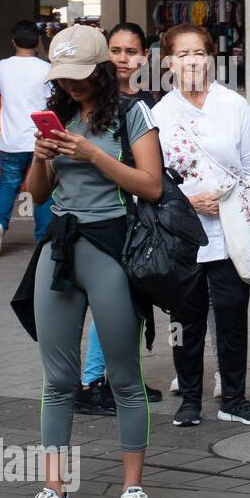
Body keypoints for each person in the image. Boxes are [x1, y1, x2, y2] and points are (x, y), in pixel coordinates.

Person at [13, 24, 164, 498]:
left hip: (111, 247)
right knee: (57, 381)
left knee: (124, 376)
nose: (73, 85)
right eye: (65, 76)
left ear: (102, 70)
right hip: (60, 248)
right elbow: (37, 195)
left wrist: (94, 154)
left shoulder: (131, 113)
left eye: (81, 75)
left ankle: (133, 488)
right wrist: (42, 157)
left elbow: (152, 185)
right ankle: (53, 491)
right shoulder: (60, 117)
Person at [153, 24, 250, 428]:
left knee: (231, 314)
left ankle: (234, 397)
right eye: (182, 53)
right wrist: (187, 203)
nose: (192, 60)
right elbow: (152, 181)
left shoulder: (234, 106)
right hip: (184, 237)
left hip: (232, 236)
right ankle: (189, 398)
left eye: (199, 52)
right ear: (168, 62)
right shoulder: (159, 114)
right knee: (185, 318)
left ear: (211, 58)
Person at [76, 22, 163, 415]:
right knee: (111, 299)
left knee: (133, 301)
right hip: (105, 219)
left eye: (131, 51)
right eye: (115, 50)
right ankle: (94, 380)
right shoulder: (91, 102)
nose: (123, 59)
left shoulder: (148, 103)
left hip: (142, 217)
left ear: (145, 57)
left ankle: (121, 376)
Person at [0, 20, 52, 257]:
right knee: (43, 190)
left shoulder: (2, 67)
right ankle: (44, 238)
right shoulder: (46, 69)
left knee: (7, 185)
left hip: (10, 141)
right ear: (38, 41)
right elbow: (51, 98)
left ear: (13, 42)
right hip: (38, 141)